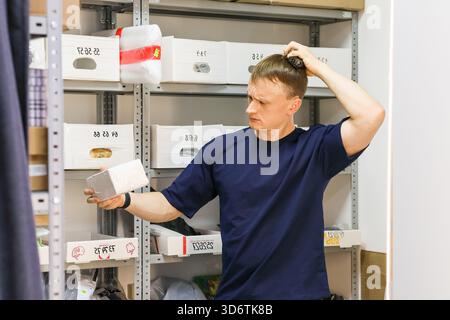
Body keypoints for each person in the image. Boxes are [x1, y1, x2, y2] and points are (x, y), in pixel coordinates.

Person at [84, 41, 385, 300]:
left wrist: (317, 67)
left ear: (293, 106)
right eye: (250, 97)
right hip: (237, 296)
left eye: (262, 102)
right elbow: (169, 204)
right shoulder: (223, 150)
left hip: (301, 294)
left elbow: (371, 115)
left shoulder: (317, 149)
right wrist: (124, 200)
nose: (250, 109)